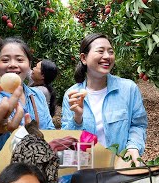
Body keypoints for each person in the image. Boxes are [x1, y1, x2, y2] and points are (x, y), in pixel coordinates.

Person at [62, 33, 149, 166]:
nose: (107, 56)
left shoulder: (128, 89)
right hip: (86, 169)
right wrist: (77, 118)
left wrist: (133, 147)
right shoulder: (73, 94)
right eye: (100, 51)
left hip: (121, 166)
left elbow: (138, 124)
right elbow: (66, 140)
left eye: (110, 51)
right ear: (84, 58)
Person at [0, 38, 55, 175]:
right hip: (2, 179)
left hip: (39, 176)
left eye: (19, 59)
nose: (12, 65)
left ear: (29, 65)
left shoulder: (38, 95)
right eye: (5, 60)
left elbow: (50, 132)